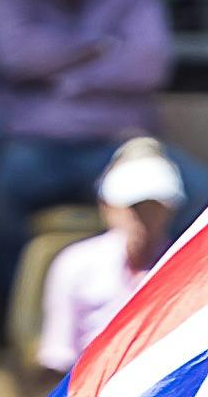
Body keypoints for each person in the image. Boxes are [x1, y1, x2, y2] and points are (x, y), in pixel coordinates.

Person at [0, 0, 207, 310]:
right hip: (35, 149)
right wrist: (100, 50)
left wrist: (59, 77)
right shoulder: (6, 0)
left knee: (201, 190)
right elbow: (15, 57)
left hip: (120, 148)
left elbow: (147, 67)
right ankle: (14, 321)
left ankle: (170, 319)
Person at [33, 136, 183, 375]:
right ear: (108, 207)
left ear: (169, 210)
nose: (143, 219)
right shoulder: (75, 264)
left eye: (152, 207)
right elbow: (57, 358)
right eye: (132, 207)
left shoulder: (184, 267)